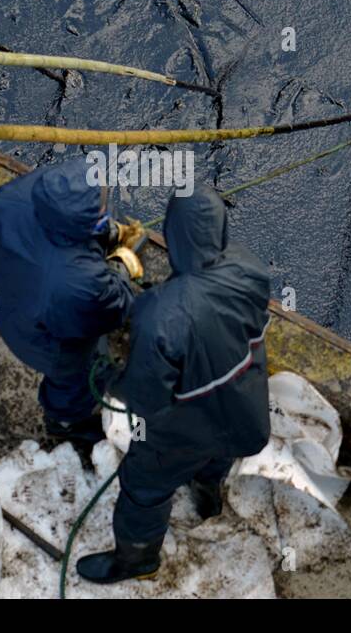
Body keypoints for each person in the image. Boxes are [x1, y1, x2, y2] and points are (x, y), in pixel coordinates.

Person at [76, 184, 271, 584]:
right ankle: (207, 488)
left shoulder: (160, 316)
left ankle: (137, 560)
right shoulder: (249, 268)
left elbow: (145, 398)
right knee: (216, 454)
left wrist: (104, 374)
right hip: (246, 412)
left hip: (186, 429)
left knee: (142, 488)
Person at [0, 157, 143, 449]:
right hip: (39, 338)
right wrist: (121, 268)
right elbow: (114, 309)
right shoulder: (76, 283)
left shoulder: (22, 194)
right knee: (74, 375)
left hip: (5, 297)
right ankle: (65, 421)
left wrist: (101, 236)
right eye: (102, 212)